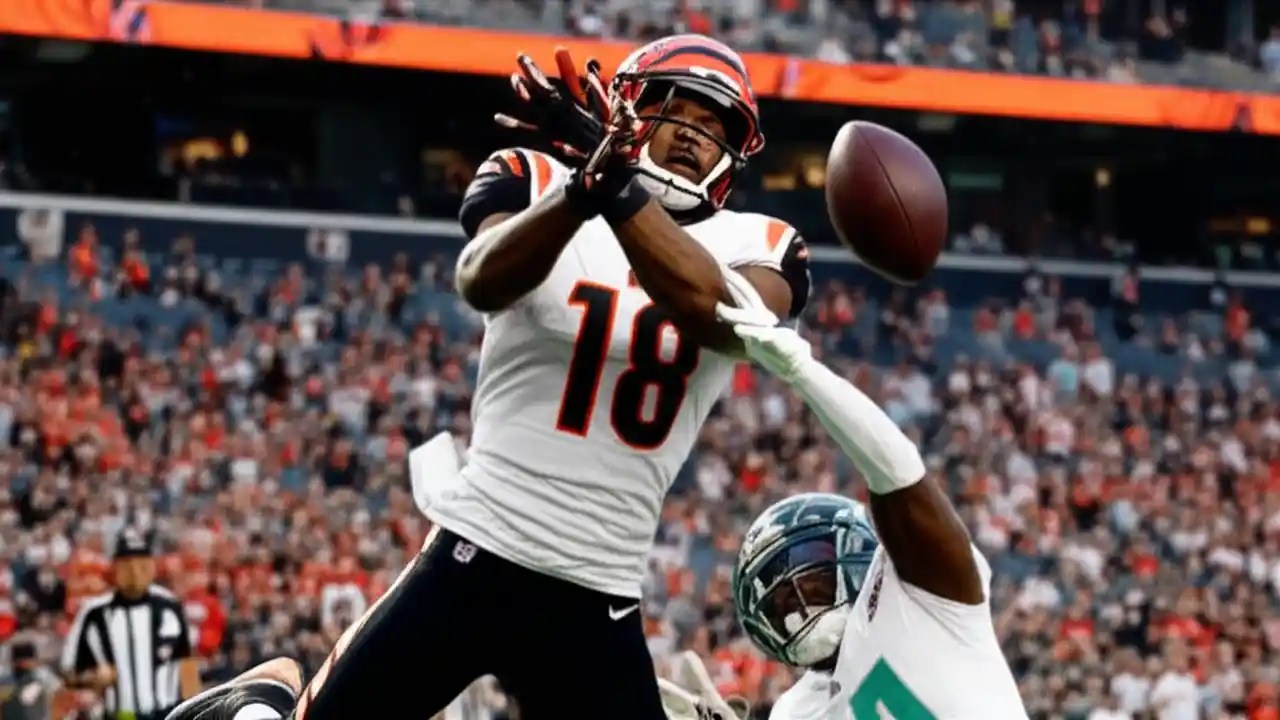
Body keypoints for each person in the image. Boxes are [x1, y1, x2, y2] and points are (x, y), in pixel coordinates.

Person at [284, 34, 812, 720]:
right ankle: (254, 704)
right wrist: (578, 194)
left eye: (715, 128)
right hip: (478, 552)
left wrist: (615, 189)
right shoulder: (534, 177)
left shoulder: (763, 243)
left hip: (600, 589)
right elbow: (480, 278)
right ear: (628, 109)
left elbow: (718, 317)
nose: (693, 136)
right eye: (677, 111)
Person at [715, 277, 1027, 718]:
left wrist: (802, 372)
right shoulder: (794, 711)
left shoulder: (921, 591)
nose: (799, 608)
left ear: (854, 550)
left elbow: (897, 471)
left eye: (814, 583)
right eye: (783, 604)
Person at [62, 526, 202, 719]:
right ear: (115, 568)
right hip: (122, 715)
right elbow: (69, 671)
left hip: (167, 713)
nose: (135, 572)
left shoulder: (170, 606)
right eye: (127, 564)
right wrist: (95, 678)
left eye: (141, 564)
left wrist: (195, 712)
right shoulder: (95, 613)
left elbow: (187, 665)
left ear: (151, 567)